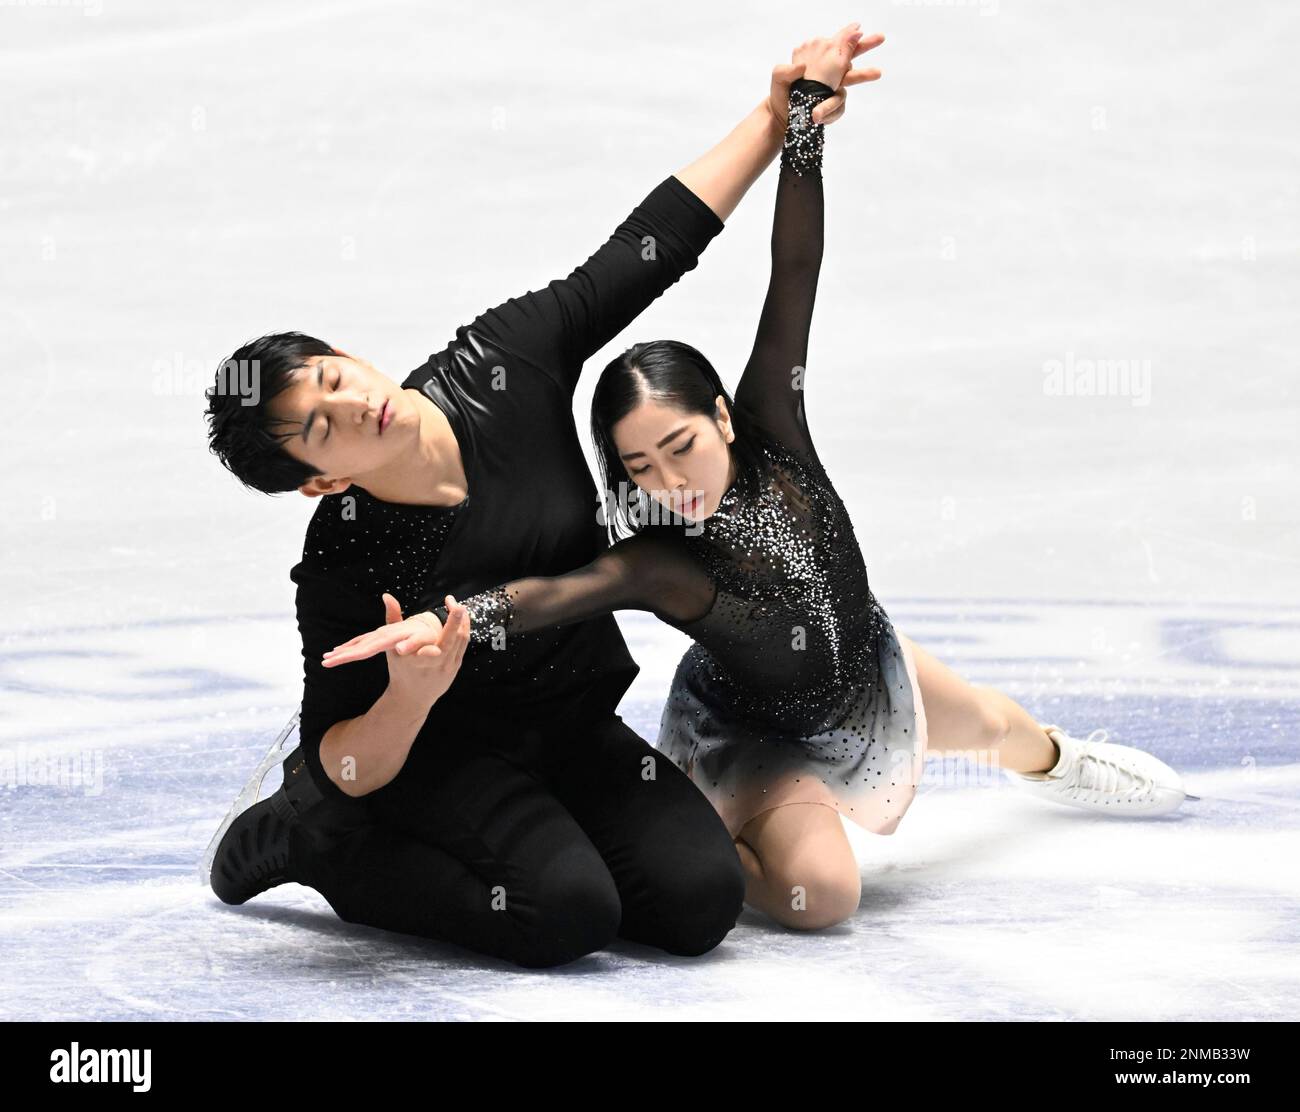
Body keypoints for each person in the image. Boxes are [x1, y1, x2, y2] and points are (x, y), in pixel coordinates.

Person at [323, 58, 1193, 933]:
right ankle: (708, 840)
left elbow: (794, 270)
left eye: (679, 446)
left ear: (725, 420)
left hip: (863, 665)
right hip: (756, 734)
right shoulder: (663, 562)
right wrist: (452, 621)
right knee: (828, 900)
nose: (668, 481)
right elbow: (558, 594)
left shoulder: (778, 426)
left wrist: (803, 131)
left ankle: (1068, 763)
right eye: (638, 469)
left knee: (1005, 730)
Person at [203, 26, 881, 966]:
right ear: (322, 478)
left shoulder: (501, 364)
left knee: (700, 904)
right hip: (437, 757)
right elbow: (345, 759)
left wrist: (777, 121)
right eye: (323, 426)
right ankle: (313, 844)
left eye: (330, 375)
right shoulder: (347, 557)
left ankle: (558, 840)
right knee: (563, 915)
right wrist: (407, 696)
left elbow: (648, 250)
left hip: (565, 722)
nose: (354, 401)